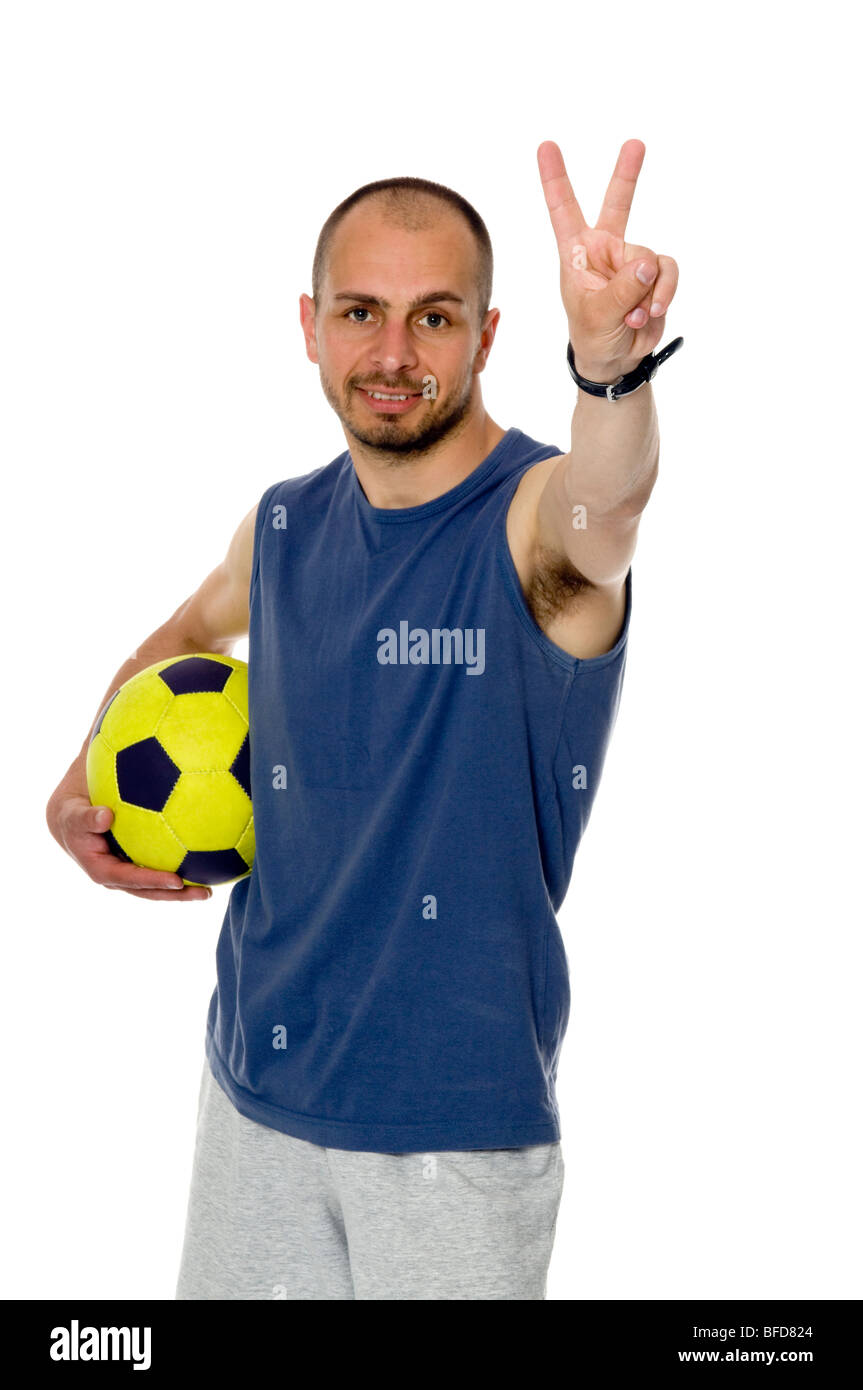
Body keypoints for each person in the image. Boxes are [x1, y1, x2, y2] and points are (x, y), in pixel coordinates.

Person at [45, 139, 678, 1300]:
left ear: (487, 338)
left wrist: (606, 374)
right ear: (310, 324)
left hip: (449, 1140)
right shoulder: (282, 525)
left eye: (434, 318)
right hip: (254, 1096)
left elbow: (608, 508)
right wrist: (80, 780)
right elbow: (186, 633)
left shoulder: (531, 525)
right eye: (360, 312)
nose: (390, 354)